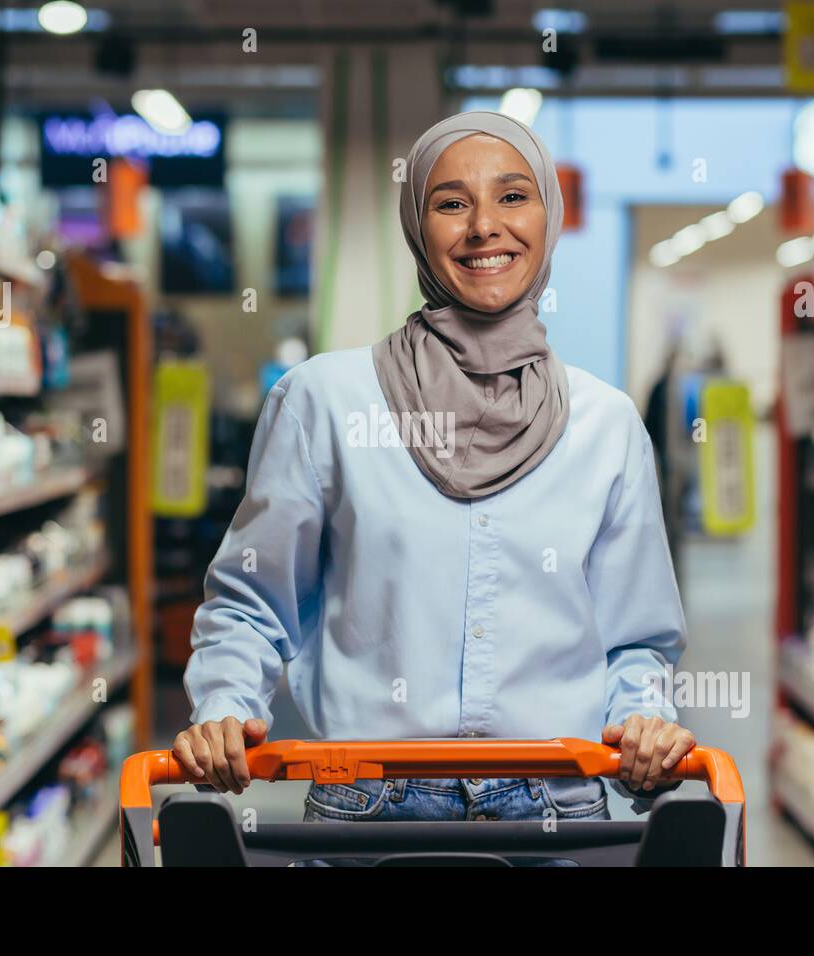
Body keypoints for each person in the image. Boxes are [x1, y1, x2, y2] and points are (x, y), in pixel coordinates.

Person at [175, 111, 692, 823]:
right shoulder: (324, 402)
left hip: (557, 803)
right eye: (452, 203)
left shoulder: (607, 426)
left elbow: (638, 639)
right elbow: (251, 602)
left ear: (551, 215)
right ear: (418, 229)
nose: (485, 226)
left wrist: (643, 721)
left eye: (514, 196)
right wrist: (226, 708)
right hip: (370, 805)